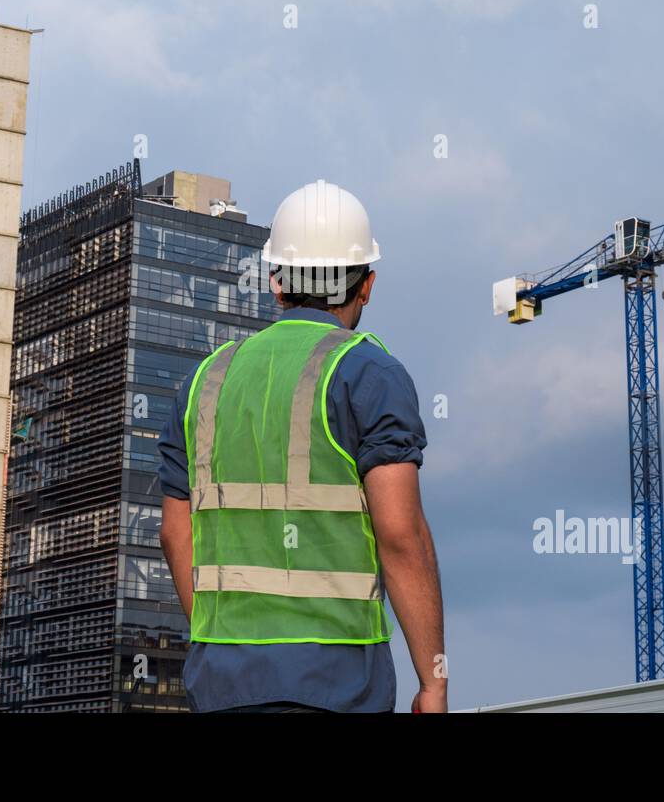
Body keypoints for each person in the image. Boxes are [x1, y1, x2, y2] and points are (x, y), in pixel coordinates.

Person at [156, 179, 447, 713]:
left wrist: (221, 645)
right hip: (337, 683)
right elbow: (401, 534)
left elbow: (176, 534)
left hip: (222, 684)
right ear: (368, 285)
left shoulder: (204, 382)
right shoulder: (371, 374)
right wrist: (433, 681)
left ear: (276, 283)